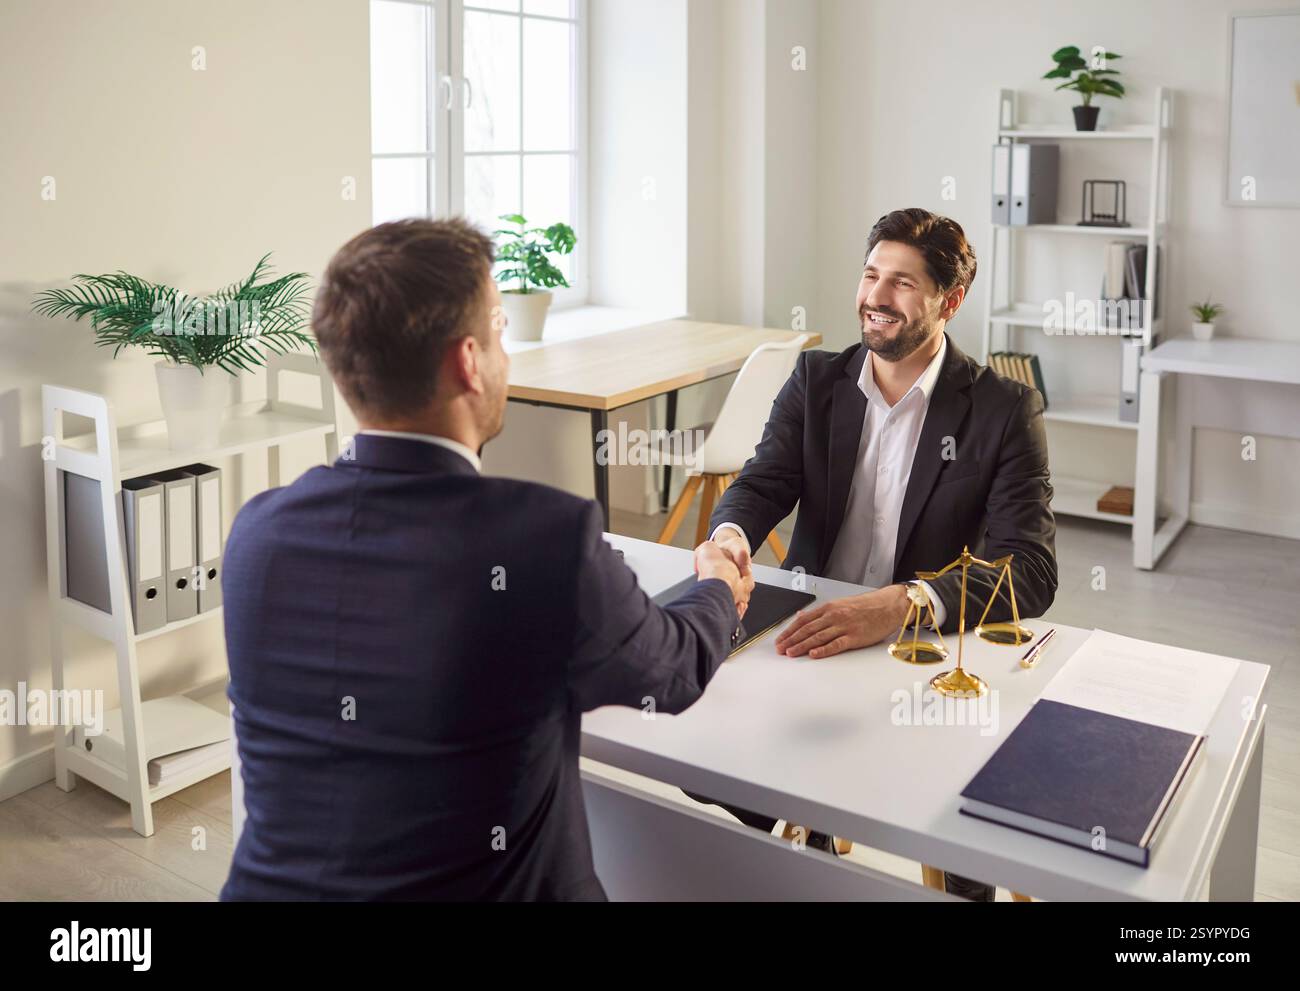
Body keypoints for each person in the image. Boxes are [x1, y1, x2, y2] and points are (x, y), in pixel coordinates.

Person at [221, 218, 751, 901]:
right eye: (500, 330)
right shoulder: (543, 539)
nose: (505, 352)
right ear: (469, 360)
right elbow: (671, 671)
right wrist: (716, 585)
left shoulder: (256, 535)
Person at [703, 207, 1058, 900]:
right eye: (871, 275)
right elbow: (759, 484)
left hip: (922, 652)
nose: (875, 297)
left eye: (901, 283)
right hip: (807, 640)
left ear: (949, 301)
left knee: (957, 830)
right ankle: (802, 843)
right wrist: (726, 539)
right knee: (705, 750)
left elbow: (1032, 570)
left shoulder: (1003, 409)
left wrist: (908, 603)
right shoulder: (815, 382)